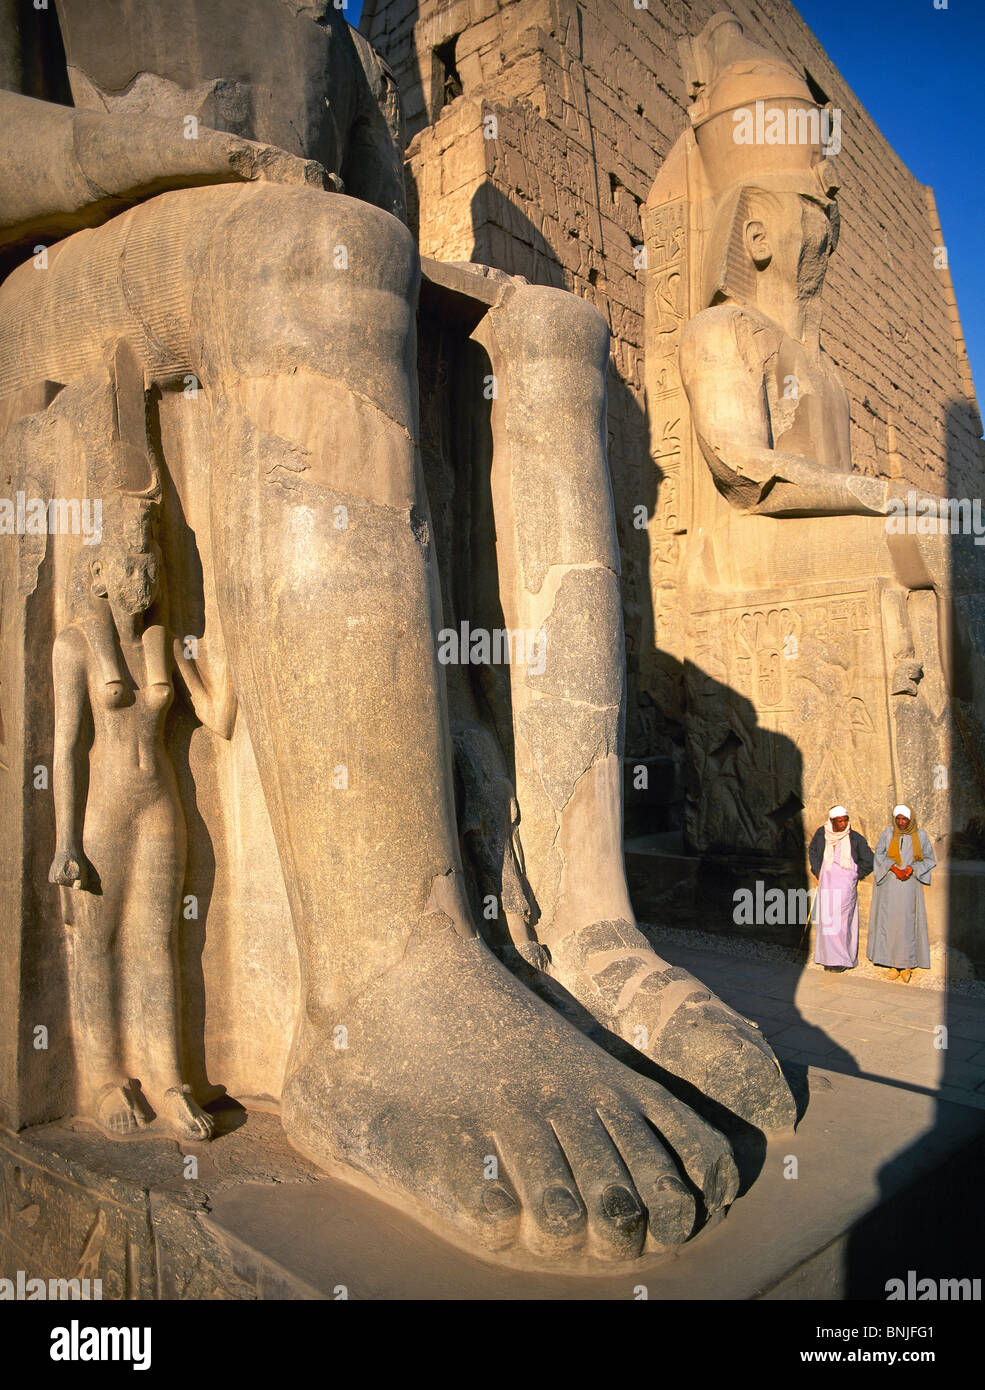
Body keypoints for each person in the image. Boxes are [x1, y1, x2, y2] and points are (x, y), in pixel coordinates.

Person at [867, 805, 936, 982]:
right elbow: (879, 854)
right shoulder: (888, 834)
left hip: (909, 886)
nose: (901, 822)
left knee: (906, 923)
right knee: (889, 922)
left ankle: (905, 965)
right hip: (889, 885)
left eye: (904, 819)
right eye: (898, 818)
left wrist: (912, 868)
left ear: (910, 819)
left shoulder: (920, 836)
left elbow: (929, 859)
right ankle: (891, 964)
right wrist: (894, 868)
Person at [808, 805, 873, 969]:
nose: (843, 824)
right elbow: (813, 851)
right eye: (840, 821)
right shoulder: (821, 834)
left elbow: (868, 859)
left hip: (845, 884)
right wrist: (817, 871)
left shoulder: (854, 838)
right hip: (827, 882)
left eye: (845, 820)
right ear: (831, 821)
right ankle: (828, 959)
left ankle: (842, 960)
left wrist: (855, 874)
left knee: (843, 922)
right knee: (828, 920)